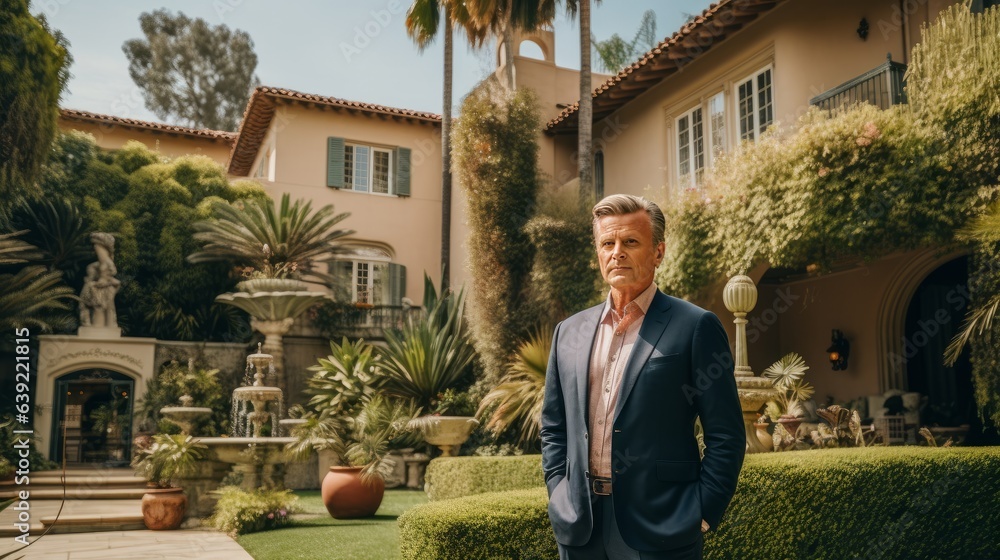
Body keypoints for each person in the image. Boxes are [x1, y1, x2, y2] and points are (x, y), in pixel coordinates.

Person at [541, 194, 745, 559]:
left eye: (630, 242)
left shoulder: (695, 327)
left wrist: (699, 513)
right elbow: (554, 428)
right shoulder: (567, 333)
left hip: (662, 527)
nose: (617, 252)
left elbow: (726, 434)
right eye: (607, 243)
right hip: (579, 527)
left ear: (659, 252)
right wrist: (559, 494)